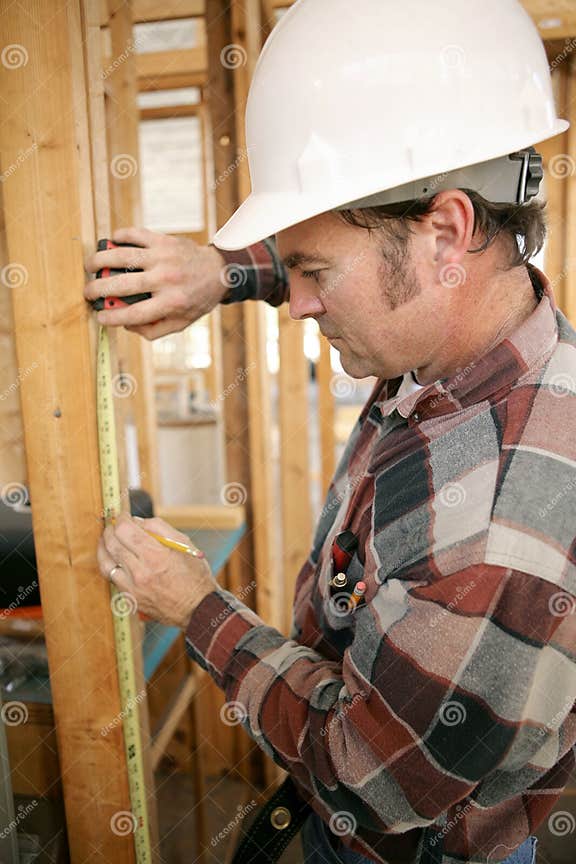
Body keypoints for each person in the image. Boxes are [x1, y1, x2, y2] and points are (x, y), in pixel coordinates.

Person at [84, 1, 576, 862]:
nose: (299, 301)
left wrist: (196, 609)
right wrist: (228, 273)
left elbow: (367, 780)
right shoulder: (462, 323)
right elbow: (366, 245)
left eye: (313, 275)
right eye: (294, 269)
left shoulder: (500, 532)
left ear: (449, 233)